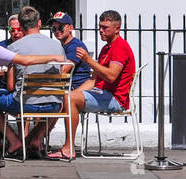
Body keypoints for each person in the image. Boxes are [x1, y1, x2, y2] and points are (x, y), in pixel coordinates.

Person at [0, 6, 70, 157]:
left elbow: (11, 86)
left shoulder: (14, 47)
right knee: (53, 101)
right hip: (53, 104)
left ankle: (14, 140)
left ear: (22, 26)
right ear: (39, 23)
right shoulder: (58, 47)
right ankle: (36, 139)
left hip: (24, 103)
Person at [53, 9, 136, 161]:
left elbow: (111, 76)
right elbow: (93, 81)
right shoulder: (106, 48)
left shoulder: (120, 47)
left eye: (105, 28)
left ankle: (68, 148)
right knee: (67, 98)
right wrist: (72, 96)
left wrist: (88, 60)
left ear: (117, 29)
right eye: (100, 27)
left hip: (116, 99)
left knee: (69, 99)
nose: (101, 31)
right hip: (101, 93)